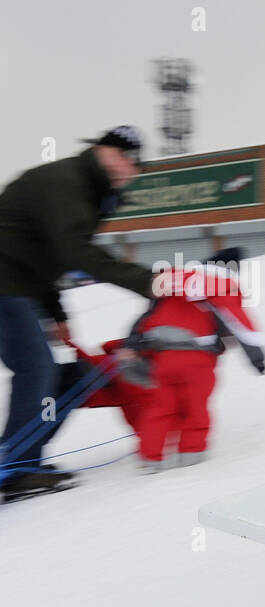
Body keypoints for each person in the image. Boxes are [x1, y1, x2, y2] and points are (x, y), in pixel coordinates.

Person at [0, 125, 156, 502]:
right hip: (6, 285)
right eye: (119, 156)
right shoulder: (68, 183)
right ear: (100, 151)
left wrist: (57, 312)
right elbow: (76, 251)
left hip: (21, 286)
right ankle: (12, 469)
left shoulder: (90, 190)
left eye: (133, 163)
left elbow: (43, 251)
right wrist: (150, 282)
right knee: (37, 369)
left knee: (73, 375)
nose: (126, 168)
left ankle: (22, 459)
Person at [112, 247, 265, 472]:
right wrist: (256, 356)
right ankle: (191, 454)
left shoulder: (170, 284)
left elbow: (146, 319)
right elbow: (237, 321)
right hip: (196, 359)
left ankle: (150, 458)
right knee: (196, 407)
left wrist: (130, 347)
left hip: (162, 359)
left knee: (161, 407)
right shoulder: (220, 285)